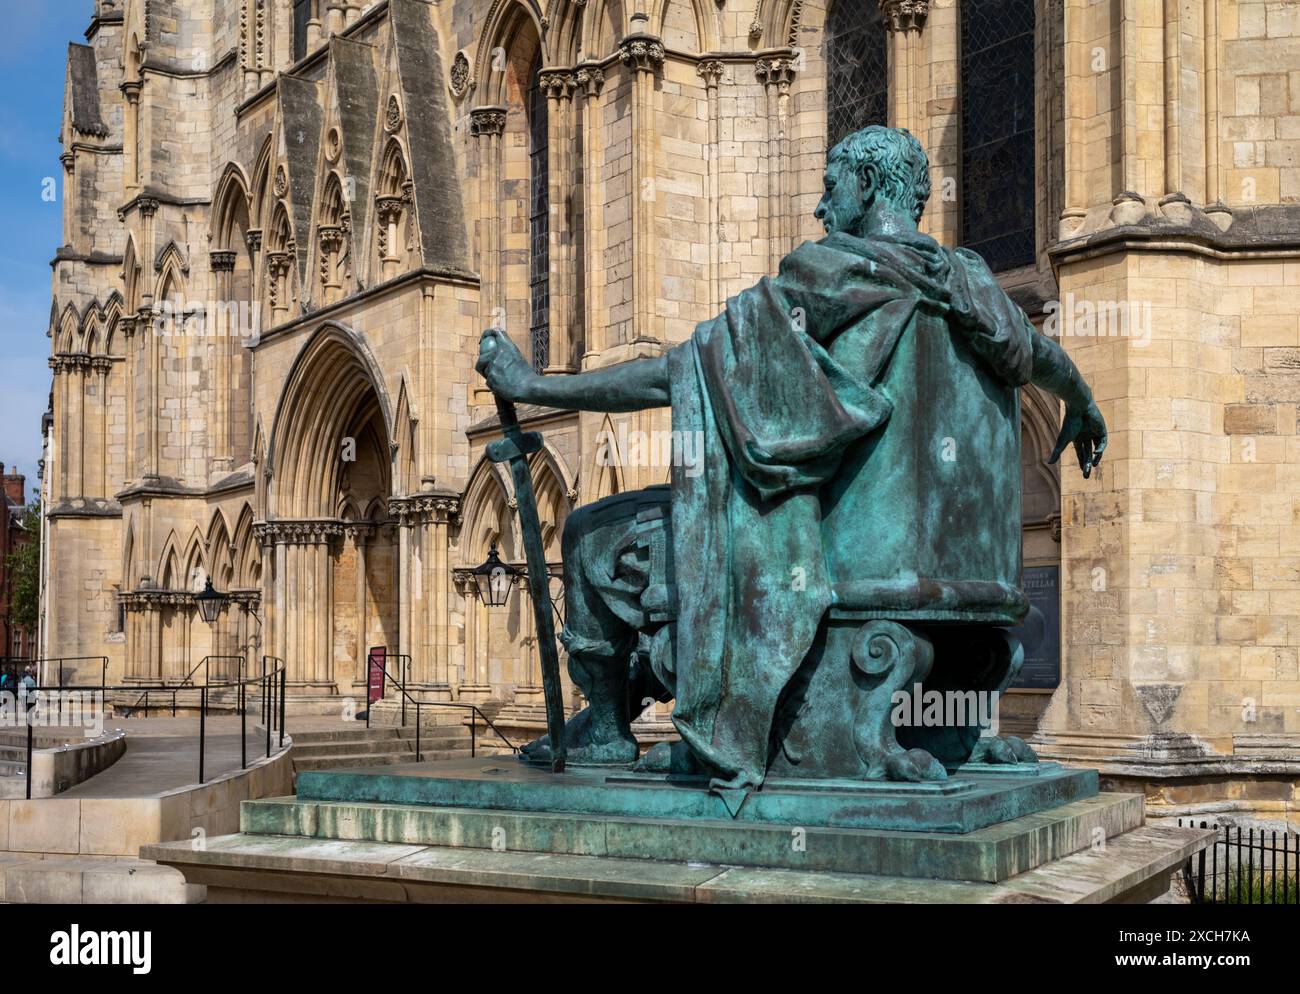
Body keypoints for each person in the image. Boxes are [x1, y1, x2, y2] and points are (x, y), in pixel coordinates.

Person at [477, 126, 1106, 790]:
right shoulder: (972, 285)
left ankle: (606, 732)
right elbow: (1042, 358)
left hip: (824, 546)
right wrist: (1084, 401)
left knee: (590, 534)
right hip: (954, 578)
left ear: (865, 186)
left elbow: (678, 371)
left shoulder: (831, 271)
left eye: (830, 187)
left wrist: (534, 386)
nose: (820, 207)